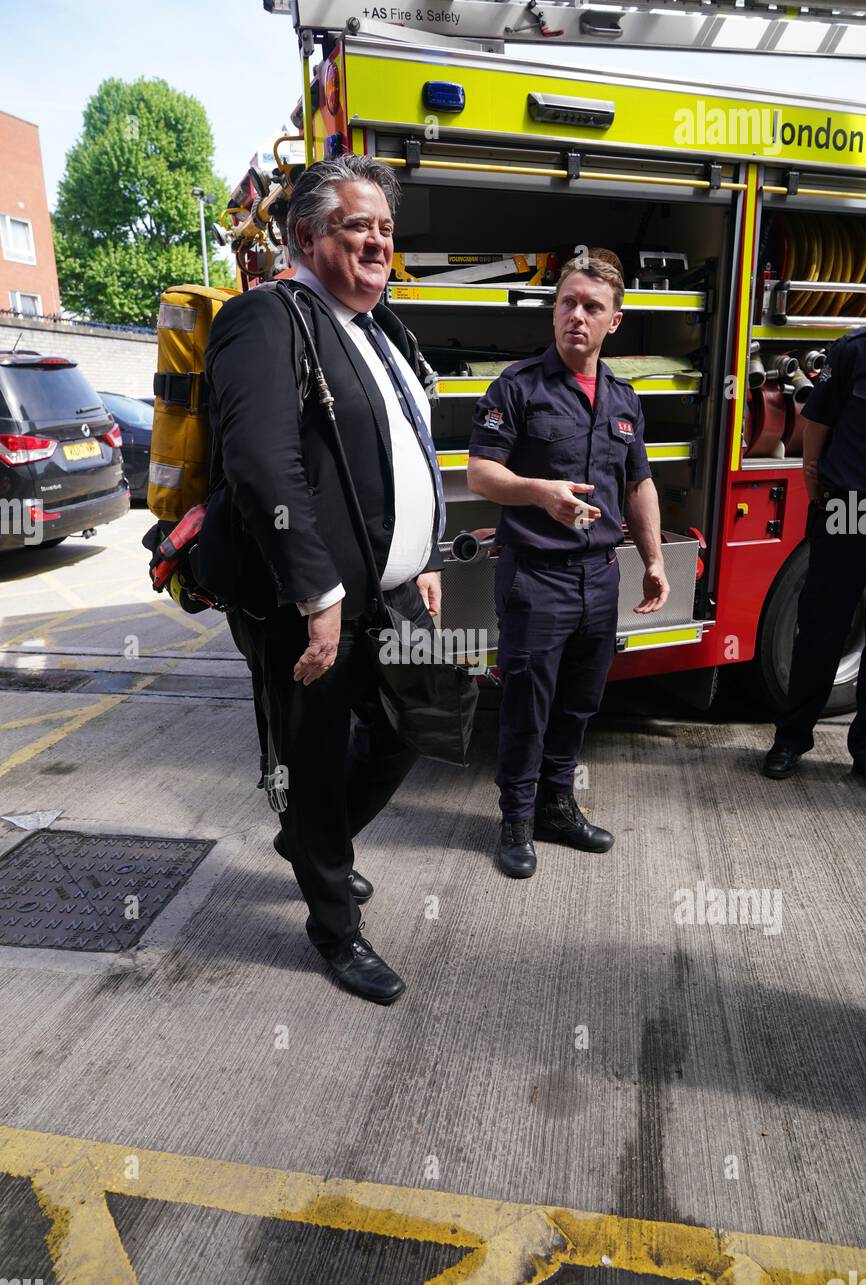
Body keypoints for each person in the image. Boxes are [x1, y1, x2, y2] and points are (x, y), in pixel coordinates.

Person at [205, 155, 446, 1003]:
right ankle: (335, 926)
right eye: (356, 225)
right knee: (312, 759)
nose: (378, 240)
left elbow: (398, 455)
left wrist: (420, 560)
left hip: (389, 589)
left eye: (384, 226)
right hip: (314, 603)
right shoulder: (267, 319)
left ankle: (314, 841)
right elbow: (263, 467)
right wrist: (320, 597)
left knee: (408, 727)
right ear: (308, 235)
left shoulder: (379, 329)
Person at [466, 253, 669, 878]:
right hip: (536, 575)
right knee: (529, 701)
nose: (575, 316)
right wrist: (539, 492)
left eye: (591, 307)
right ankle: (517, 821)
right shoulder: (518, 387)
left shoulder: (623, 398)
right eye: (566, 303)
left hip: (599, 576)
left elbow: (638, 484)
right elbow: (481, 473)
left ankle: (557, 808)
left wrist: (654, 559)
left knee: (580, 703)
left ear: (615, 322)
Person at [763, 326, 866, 782]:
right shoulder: (854, 351)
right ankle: (790, 739)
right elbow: (818, 424)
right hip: (849, 506)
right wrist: (813, 480)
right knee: (821, 629)